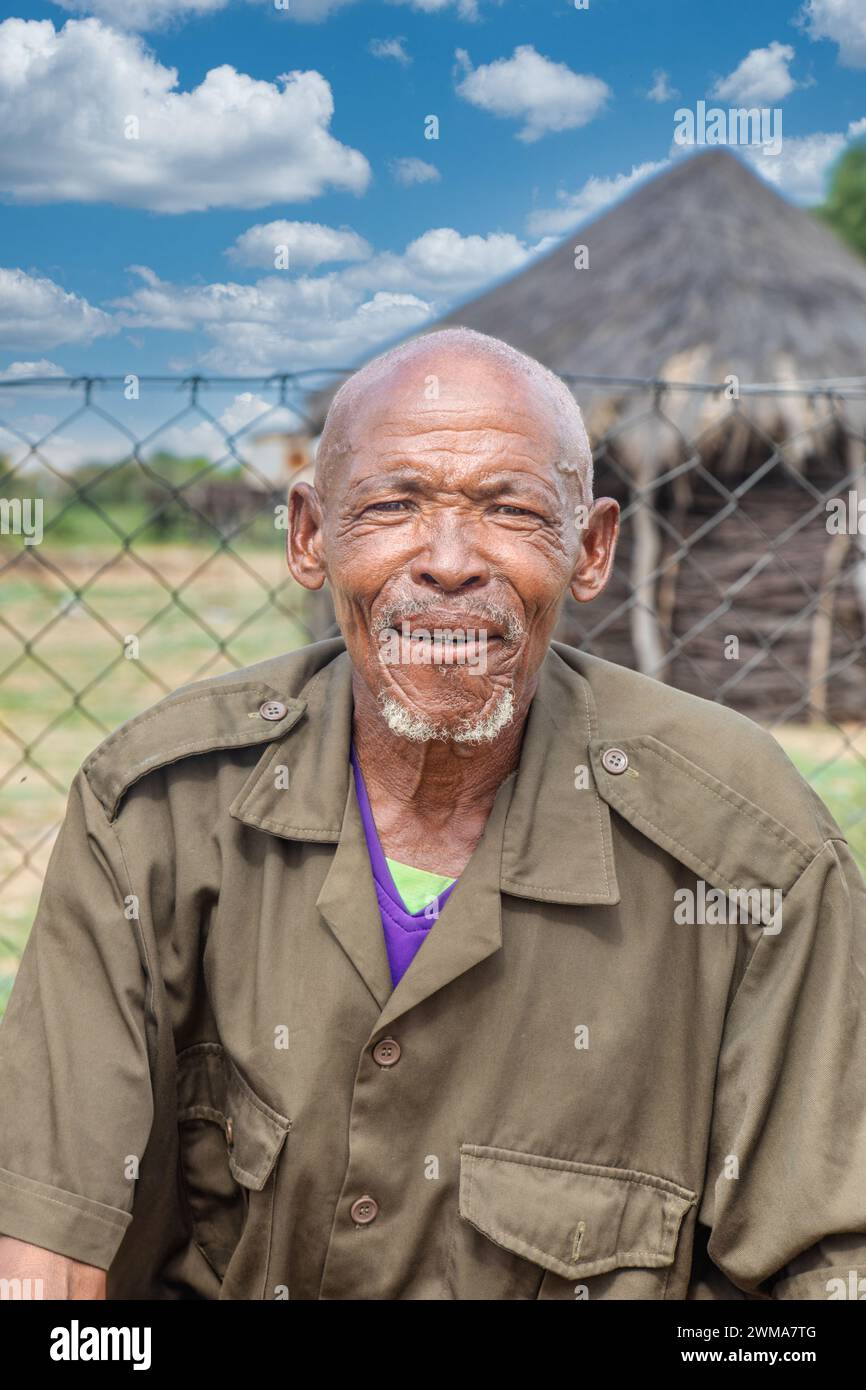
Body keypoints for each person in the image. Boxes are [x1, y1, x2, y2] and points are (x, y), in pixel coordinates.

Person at [0, 328, 864, 1300]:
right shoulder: (153, 806)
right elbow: (46, 1239)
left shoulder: (751, 850)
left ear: (589, 550)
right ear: (306, 537)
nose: (448, 561)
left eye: (509, 510)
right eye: (393, 505)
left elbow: (822, 1275)